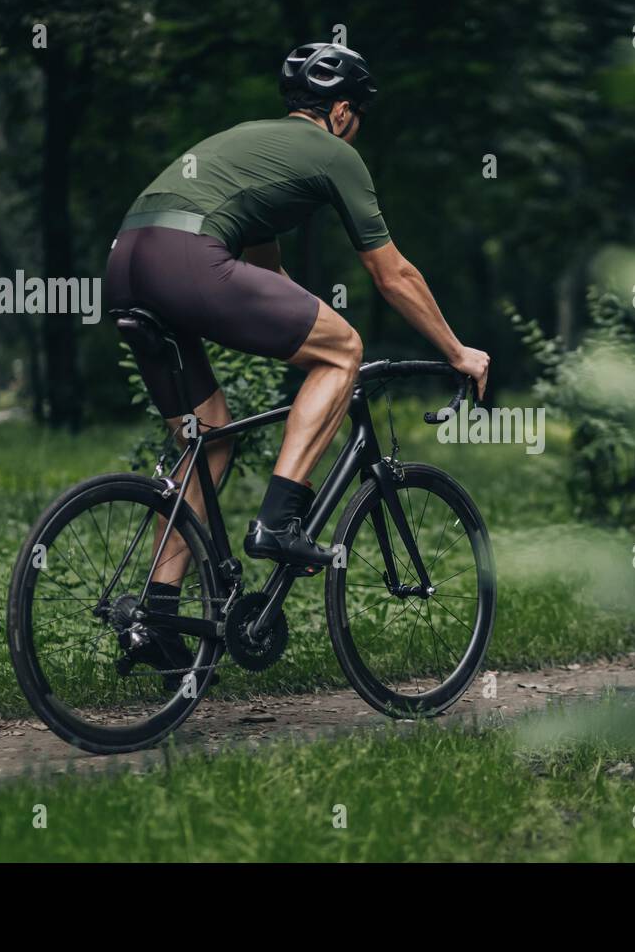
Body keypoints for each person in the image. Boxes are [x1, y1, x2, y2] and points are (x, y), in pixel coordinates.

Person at [106, 42, 489, 678]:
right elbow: (391, 274)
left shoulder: (252, 147)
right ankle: (279, 522)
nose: (356, 127)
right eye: (358, 115)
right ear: (340, 112)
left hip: (125, 263)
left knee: (209, 439)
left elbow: (268, 274)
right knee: (345, 351)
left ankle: (159, 614)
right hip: (188, 259)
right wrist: (457, 351)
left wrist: (306, 332)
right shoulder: (335, 154)